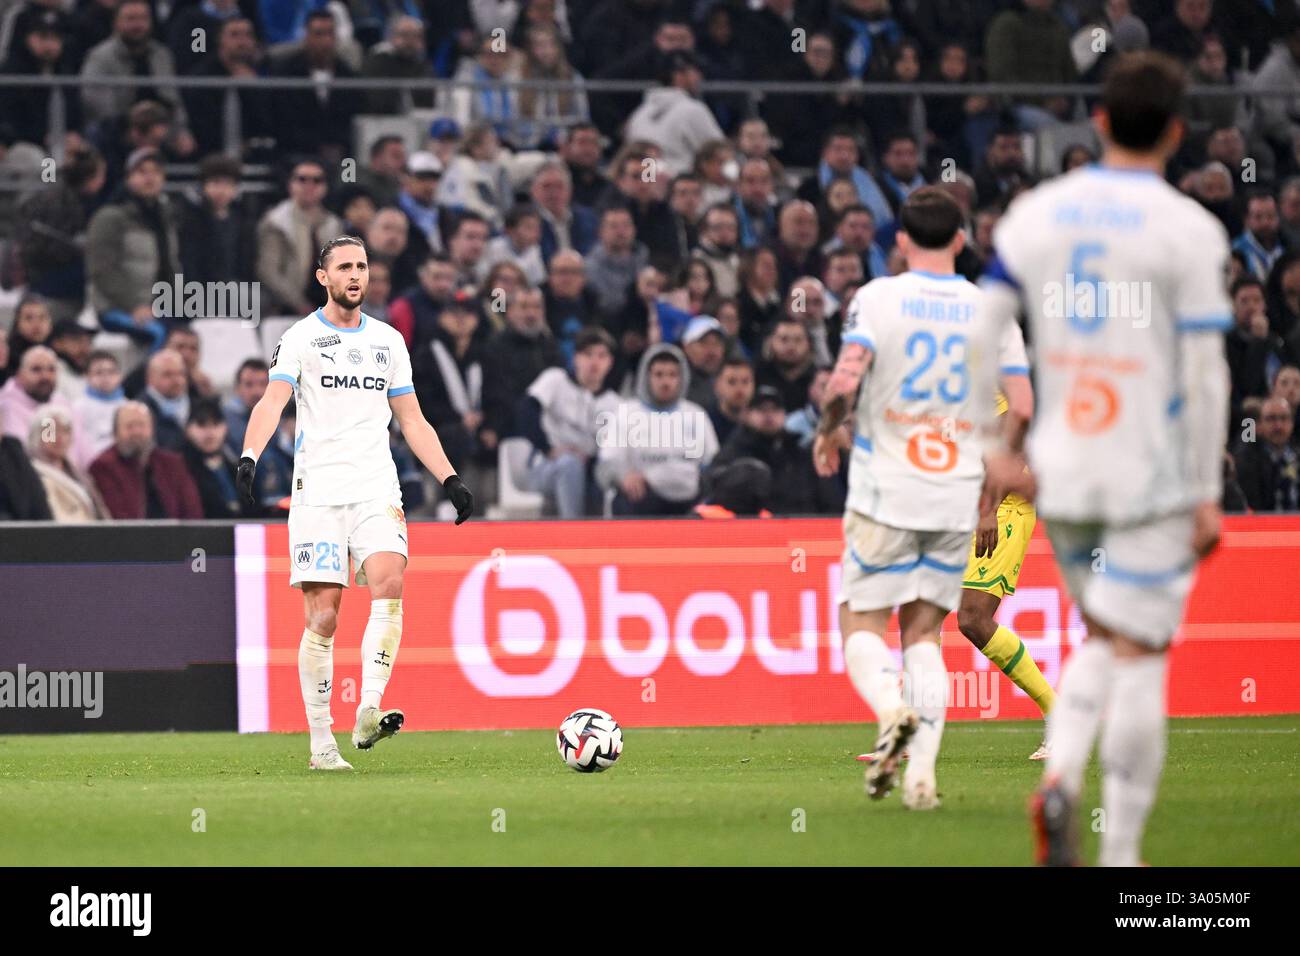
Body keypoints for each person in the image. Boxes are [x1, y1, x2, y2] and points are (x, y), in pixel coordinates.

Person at [981, 52, 1231, 866]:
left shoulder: (1035, 215)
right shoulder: (1190, 231)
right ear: (1177, 132)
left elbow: (983, 331)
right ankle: (1121, 856)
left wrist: (996, 450)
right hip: (1149, 474)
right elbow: (1204, 371)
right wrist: (1203, 490)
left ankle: (1058, 779)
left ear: (1097, 122)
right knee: (1140, 652)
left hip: (1064, 471)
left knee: (1100, 634)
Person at [234, 236, 474, 771]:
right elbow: (273, 401)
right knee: (324, 617)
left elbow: (411, 419)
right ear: (323, 277)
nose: (355, 275)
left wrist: (449, 477)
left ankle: (368, 707)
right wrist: (250, 455)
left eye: (362, 266)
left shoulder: (389, 341)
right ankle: (322, 744)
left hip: (376, 488)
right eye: (344, 266)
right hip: (317, 492)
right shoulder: (300, 338)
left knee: (390, 584)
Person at [812, 186, 1009, 811]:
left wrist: (827, 433)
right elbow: (1020, 410)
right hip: (953, 490)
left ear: (899, 239)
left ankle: (890, 709)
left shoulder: (875, 297)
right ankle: (921, 779)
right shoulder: (990, 309)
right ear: (960, 239)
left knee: (861, 621)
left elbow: (845, 380)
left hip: (884, 488)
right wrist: (988, 500)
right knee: (924, 634)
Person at [596, 343, 719, 516]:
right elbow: (607, 464)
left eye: (672, 375)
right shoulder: (626, 413)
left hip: (689, 500)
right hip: (641, 498)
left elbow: (711, 464)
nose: (666, 382)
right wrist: (623, 477)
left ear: (682, 377)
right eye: (659, 374)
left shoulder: (696, 414)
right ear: (647, 377)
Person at [519, 327, 618, 518]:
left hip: (590, 470)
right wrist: (548, 448)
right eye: (588, 354)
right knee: (569, 464)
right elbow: (526, 411)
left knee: (606, 474)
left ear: (610, 362)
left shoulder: (614, 403)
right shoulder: (555, 380)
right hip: (546, 466)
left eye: (601, 355)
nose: (594, 362)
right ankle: (572, 531)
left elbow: (612, 450)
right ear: (575, 358)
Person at [88, 400, 203, 519]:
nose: (137, 432)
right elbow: (118, 519)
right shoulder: (103, 467)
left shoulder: (172, 464)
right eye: (130, 426)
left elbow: (192, 511)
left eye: (142, 425)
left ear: (152, 429)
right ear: (115, 432)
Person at [27, 404, 106, 521]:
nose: (60, 438)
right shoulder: (31, 474)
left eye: (65, 431)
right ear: (37, 434)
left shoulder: (79, 474)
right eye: (51, 431)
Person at [1234, 397, 1300, 511]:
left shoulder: (1296, 455)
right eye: (1271, 419)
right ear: (1259, 425)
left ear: (1292, 423)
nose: (1278, 425)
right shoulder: (1248, 461)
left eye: (1284, 418)